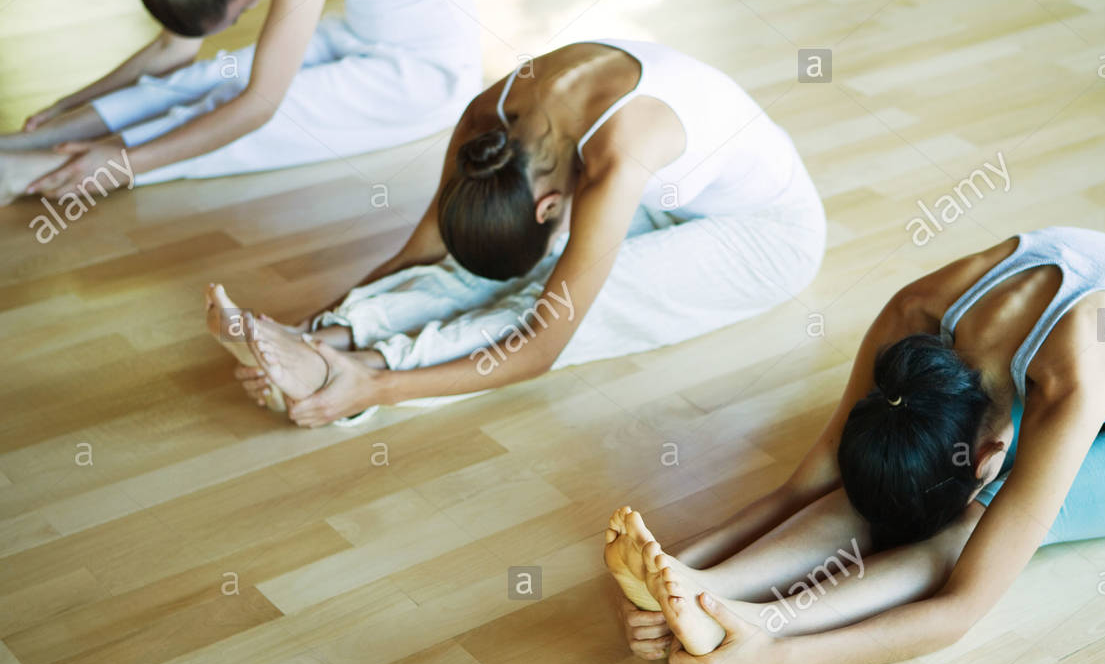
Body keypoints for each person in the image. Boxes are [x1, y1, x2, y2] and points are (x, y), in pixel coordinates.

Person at [604, 227, 1105, 664]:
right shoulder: (915, 313)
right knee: (897, 469)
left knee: (969, 522)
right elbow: (807, 481)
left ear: (994, 448)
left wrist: (775, 655)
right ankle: (717, 591)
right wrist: (681, 569)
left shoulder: (1070, 380)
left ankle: (753, 614)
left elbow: (962, 607)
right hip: (1095, 357)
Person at [205, 39, 827, 424]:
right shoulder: (489, 119)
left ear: (550, 203)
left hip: (765, 237)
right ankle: (327, 343)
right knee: (477, 261)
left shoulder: (619, 153)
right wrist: (311, 324)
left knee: (560, 301)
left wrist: (379, 386)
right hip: (670, 194)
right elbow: (423, 248)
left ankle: (351, 368)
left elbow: (541, 346)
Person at [0, 0, 480, 205]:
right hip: (358, 32)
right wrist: (65, 107)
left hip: (425, 75)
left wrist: (122, 165)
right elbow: (176, 48)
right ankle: (32, 145)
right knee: (213, 74)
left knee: (241, 109)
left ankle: (32, 170)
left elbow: (259, 106)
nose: (247, 8)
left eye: (233, 14)